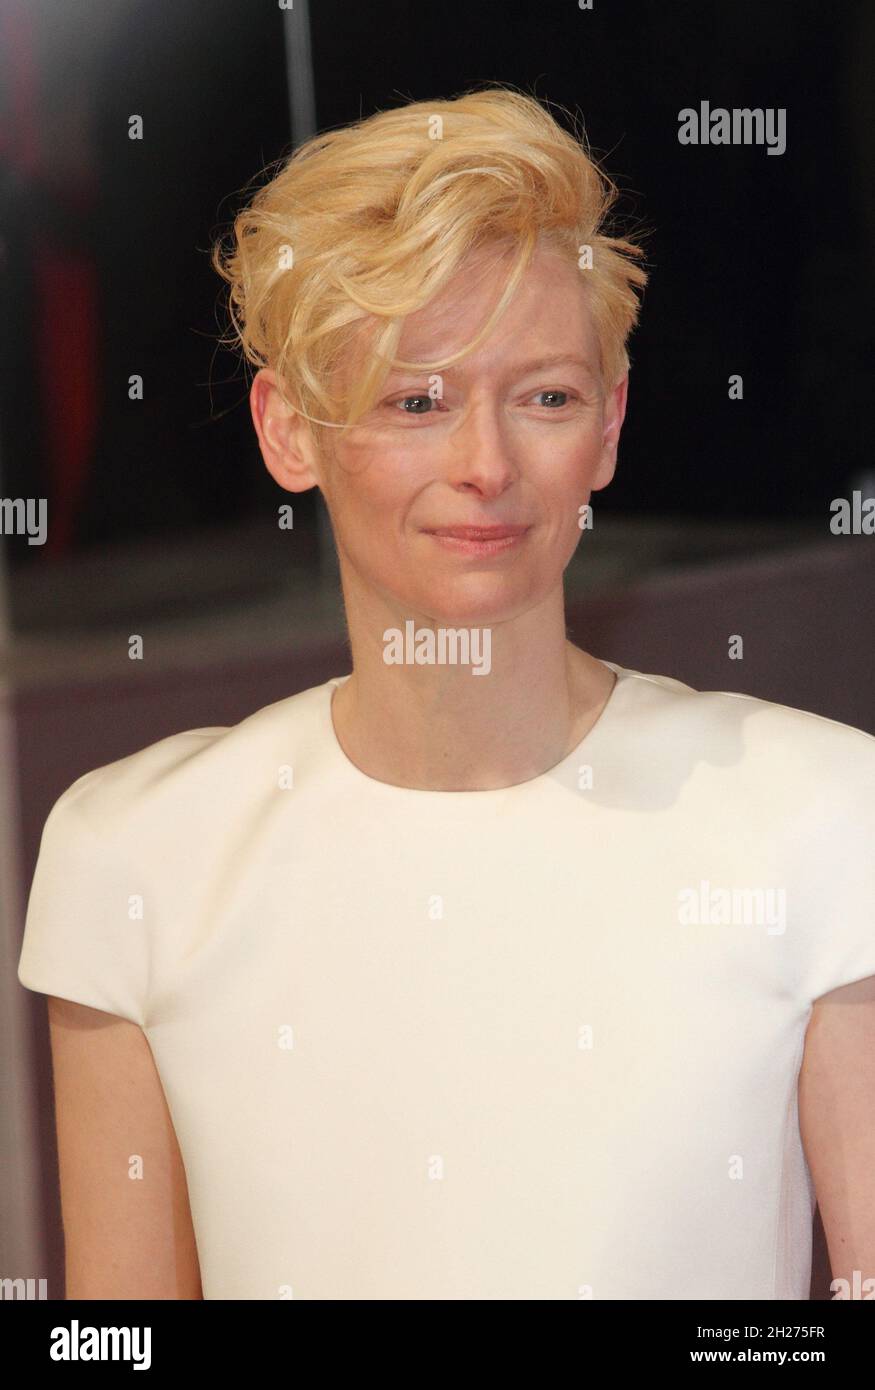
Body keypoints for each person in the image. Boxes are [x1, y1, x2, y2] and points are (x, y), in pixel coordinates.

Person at [18, 86, 875, 1301]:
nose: (485, 466)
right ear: (288, 432)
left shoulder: (820, 817)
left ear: (610, 424)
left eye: (545, 397)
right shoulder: (138, 855)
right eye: (416, 402)